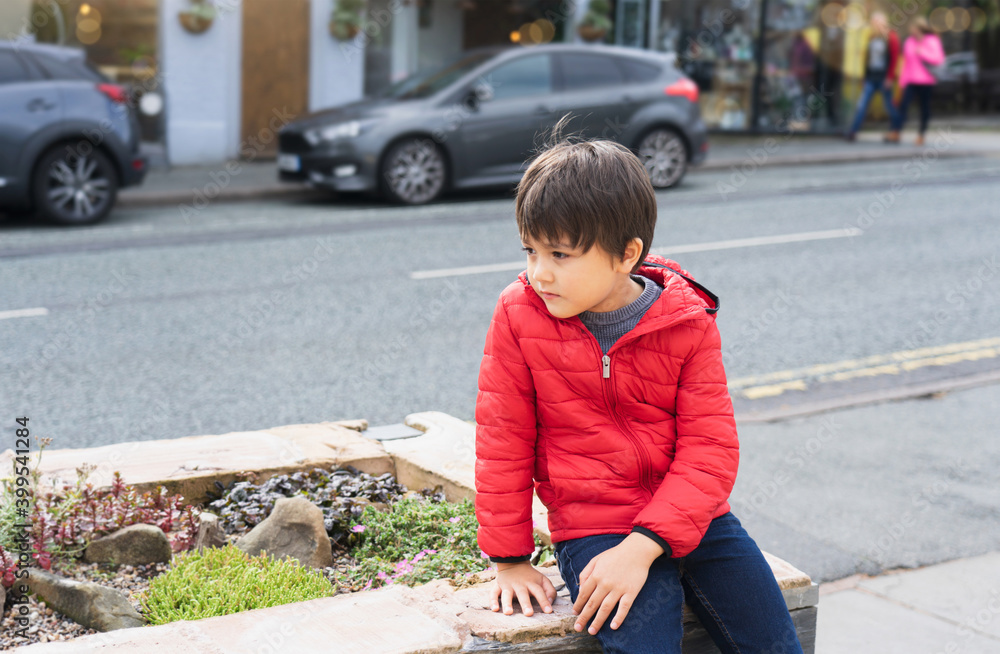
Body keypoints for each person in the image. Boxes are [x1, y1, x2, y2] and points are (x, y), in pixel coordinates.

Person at [474, 136, 804, 654]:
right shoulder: (518, 314)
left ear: (627, 254)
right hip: (594, 527)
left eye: (560, 254)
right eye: (532, 251)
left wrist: (646, 546)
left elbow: (709, 450)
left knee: (775, 643)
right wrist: (509, 559)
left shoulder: (688, 320)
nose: (540, 272)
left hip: (699, 520)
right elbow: (504, 438)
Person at [888, 16, 945, 145]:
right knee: (903, 106)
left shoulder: (932, 40)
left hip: (926, 81)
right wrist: (902, 81)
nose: (911, 30)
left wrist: (922, 52)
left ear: (919, 28)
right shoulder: (909, 42)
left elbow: (939, 59)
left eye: (913, 28)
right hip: (911, 80)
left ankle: (921, 134)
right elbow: (906, 63)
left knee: (924, 108)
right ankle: (896, 131)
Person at [844, 11, 900, 141]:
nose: (874, 25)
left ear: (883, 22)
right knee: (862, 105)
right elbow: (867, 59)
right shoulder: (872, 37)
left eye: (877, 22)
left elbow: (894, 59)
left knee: (889, 105)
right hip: (871, 77)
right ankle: (853, 131)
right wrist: (864, 76)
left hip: (884, 77)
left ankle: (895, 130)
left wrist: (890, 77)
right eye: (873, 22)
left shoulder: (891, 37)